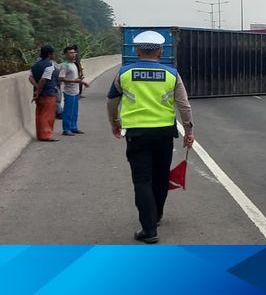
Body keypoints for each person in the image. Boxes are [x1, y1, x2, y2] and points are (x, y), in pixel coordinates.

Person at [106, 30, 194, 244]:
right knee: (161, 176)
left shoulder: (125, 73)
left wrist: (115, 122)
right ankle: (157, 214)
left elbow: (112, 101)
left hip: (137, 133)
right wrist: (189, 131)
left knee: (142, 180)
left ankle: (149, 229)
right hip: (164, 133)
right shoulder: (172, 74)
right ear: (160, 52)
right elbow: (184, 105)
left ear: (137, 51)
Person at [30, 45, 61, 142]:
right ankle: (46, 135)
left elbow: (30, 78)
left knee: (39, 113)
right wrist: (39, 90)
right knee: (47, 115)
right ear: (49, 54)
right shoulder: (49, 65)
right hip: (48, 93)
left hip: (38, 94)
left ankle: (40, 134)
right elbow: (44, 79)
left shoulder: (35, 66)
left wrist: (36, 89)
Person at [59, 45, 89, 136]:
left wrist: (82, 82)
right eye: (71, 53)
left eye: (74, 53)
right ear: (65, 55)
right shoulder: (65, 65)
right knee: (68, 111)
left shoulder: (74, 64)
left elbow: (76, 78)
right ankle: (66, 129)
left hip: (76, 91)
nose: (73, 55)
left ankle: (73, 127)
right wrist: (73, 81)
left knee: (75, 111)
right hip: (69, 91)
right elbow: (61, 78)